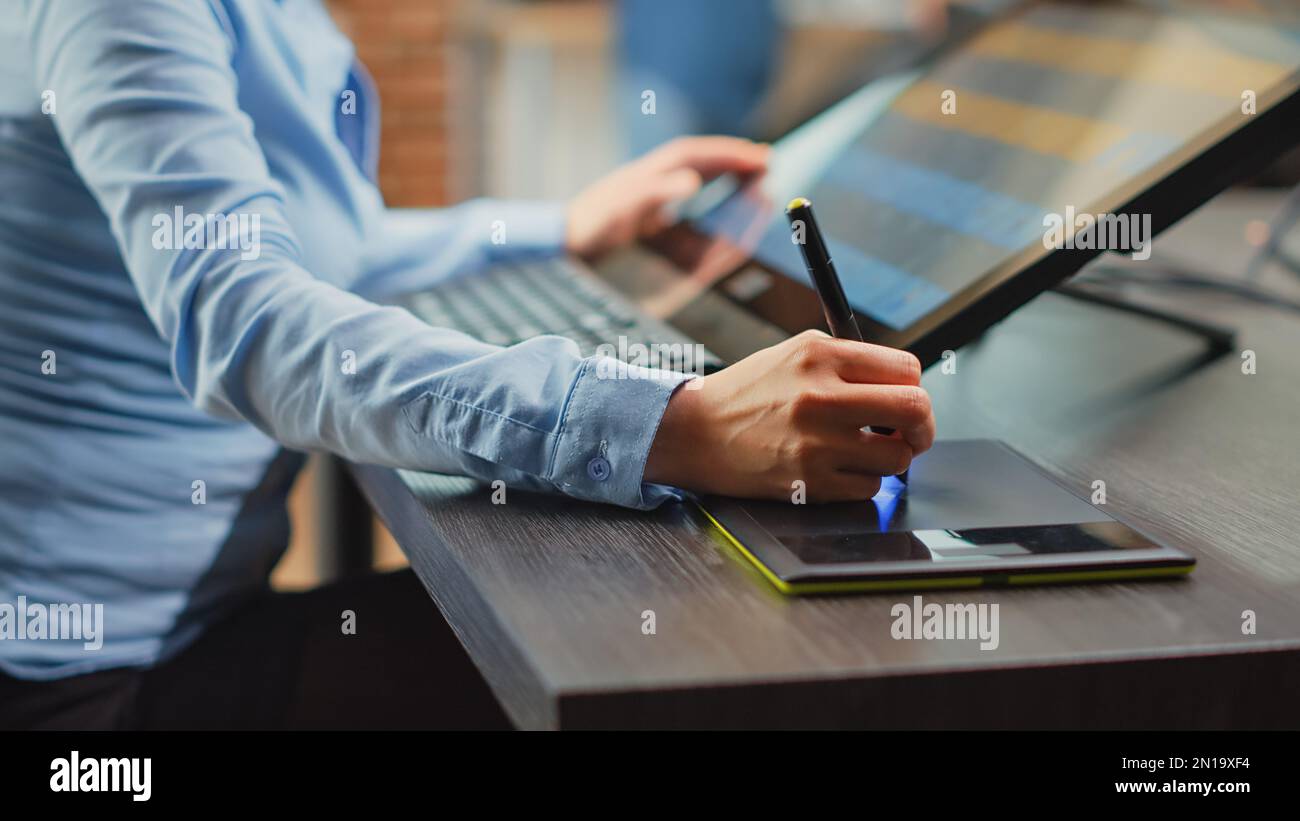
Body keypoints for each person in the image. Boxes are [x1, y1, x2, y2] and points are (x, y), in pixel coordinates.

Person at [0, 0, 933, 729]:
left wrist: (561, 228)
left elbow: (325, 253)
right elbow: (247, 326)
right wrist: (676, 424)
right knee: (680, 667)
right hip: (91, 702)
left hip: (192, 625)